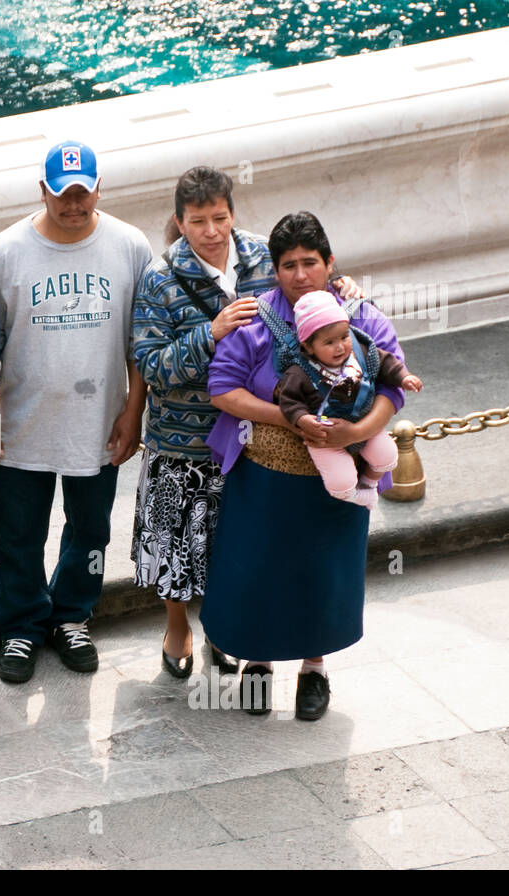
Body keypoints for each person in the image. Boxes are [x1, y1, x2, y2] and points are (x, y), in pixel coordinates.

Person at [132, 167, 363, 680]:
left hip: (256, 444)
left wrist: (341, 286)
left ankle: (228, 631)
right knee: (175, 550)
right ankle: (177, 629)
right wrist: (209, 335)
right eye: (198, 221)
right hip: (185, 439)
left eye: (220, 217)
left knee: (234, 553)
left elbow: (310, 293)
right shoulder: (158, 278)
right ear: (179, 221)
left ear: (233, 214)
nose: (211, 231)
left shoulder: (265, 258)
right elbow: (150, 365)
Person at [202, 211, 409, 720]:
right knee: (260, 570)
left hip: (337, 476)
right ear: (275, 270)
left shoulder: (359, 316)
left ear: (330, 262)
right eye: (288, 265)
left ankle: (314, 672)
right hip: (264, 475)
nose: (300, 274)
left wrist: (357, 433)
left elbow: (392, 385)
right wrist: (290, 420)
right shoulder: (253, 320)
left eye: (310, 263)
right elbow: (221, 388)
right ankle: (258, 661)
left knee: (322, 573)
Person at [0, 140, 153, 683]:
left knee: (91, 528)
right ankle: (22, 626)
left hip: (99, 421)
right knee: (16, 534)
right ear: (43, 191)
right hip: (21, 424)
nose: (73, 204)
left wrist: (133, 414)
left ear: (99, 189)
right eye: (62, 194)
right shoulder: (4, 252)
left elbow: (140, 342)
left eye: (83, 193)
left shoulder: (130, 247)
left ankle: (73, 615)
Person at [277, 290, 424, 509]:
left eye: (344, 337)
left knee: (387, 456)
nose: (340, 347)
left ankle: (369, 483)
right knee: (340, 483)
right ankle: (356, 496)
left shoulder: (361, 352)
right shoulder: (298, 373)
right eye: (329, 342)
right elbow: (289, 401)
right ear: (308, 346)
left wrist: (404, 377)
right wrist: (302, 419)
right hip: (324, 436)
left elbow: (387, 363)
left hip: (362, 422)